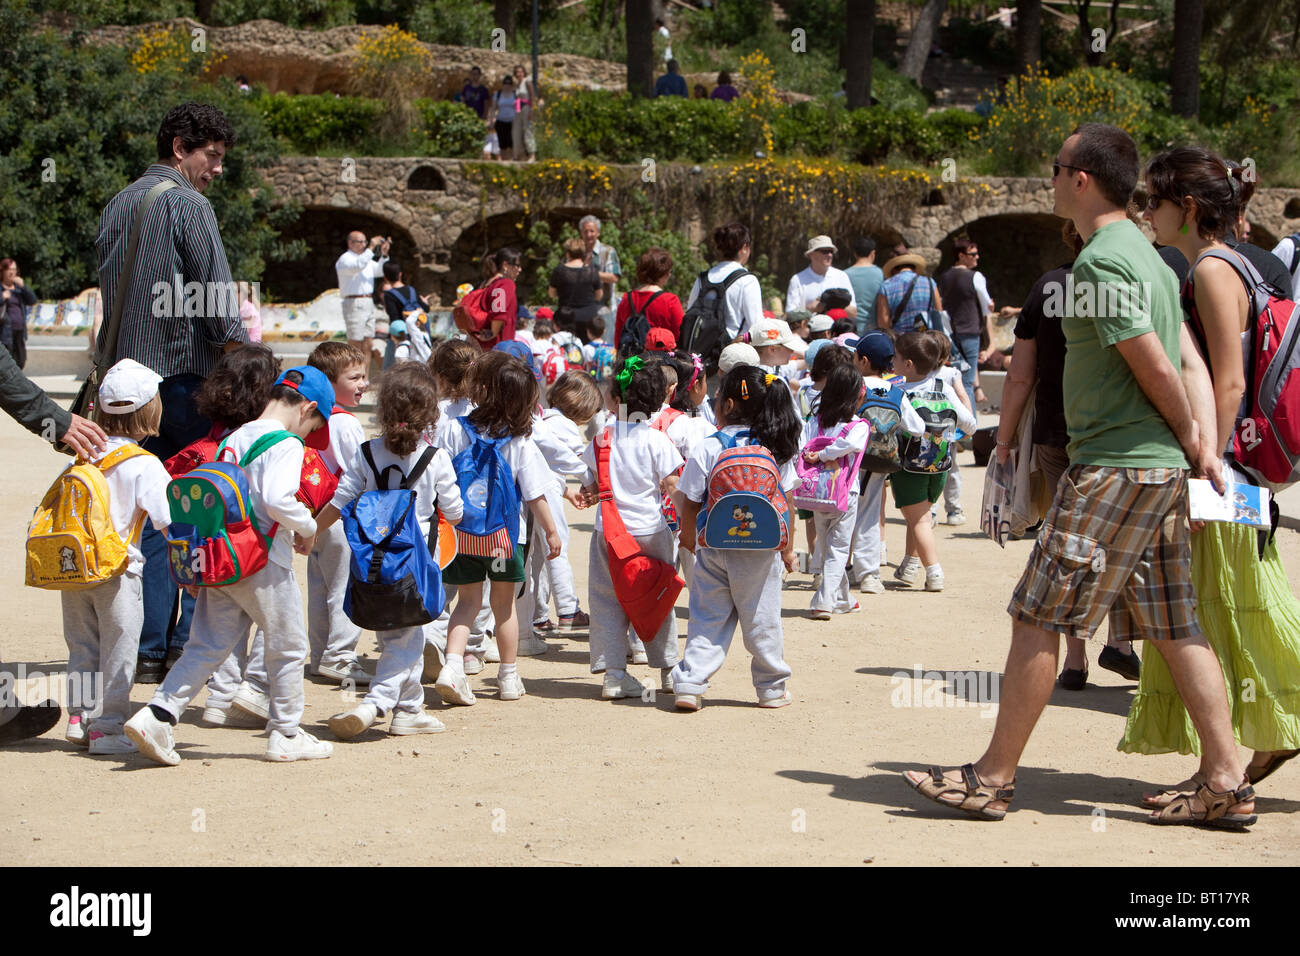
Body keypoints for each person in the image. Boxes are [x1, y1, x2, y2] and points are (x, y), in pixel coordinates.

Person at [904, 123, 1255, 828]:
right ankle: (1225, 779)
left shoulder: (1099, 263)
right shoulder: (1154, 259)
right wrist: (1201, 451)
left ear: (1083, 179)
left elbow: (1152, 360)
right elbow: (1187, 360)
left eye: (1057, 165)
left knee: (1037, 614)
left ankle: (992, 777)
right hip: (1149, 469)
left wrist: (1195, 440)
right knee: (1173, 624)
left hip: (1115, 467)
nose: (1052, 176)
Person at [1120, 145, 1300, 794]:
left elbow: (1226, 382)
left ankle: (1233, 761)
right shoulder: (1231, 267)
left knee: (1227, 605)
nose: (1147, 215)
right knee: (1234, 605)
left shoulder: (1212, 273)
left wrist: (1208, 470)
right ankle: (1253, 745)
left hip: (1228, 470)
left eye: (1154, 202)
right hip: (1241, 469)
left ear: (1187, 208)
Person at [96, 103, 249, 686]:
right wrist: (246, 366)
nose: (215, 170)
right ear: (181, 147)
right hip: (182, 385)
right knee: (193, 510)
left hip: (125, 388)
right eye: (211, 157)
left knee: (144, 516)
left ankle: (146, 645)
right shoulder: (190, 204)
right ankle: (190, 645)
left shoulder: (117, 203)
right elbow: (215, 301)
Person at [125, 366, 337, 764]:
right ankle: (286, 732)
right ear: (308, 407)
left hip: (221, 559)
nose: (310, 434)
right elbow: (276, 499)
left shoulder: (236, 435)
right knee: (289, 647)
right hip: (263, 561)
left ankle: (157, 714)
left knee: (204, 647)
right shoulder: (288, 444)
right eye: (314, 425)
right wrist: (308, 526)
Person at [994, 224, 1141, 689]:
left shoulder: (1047, 286)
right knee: (1119, 542)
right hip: (1119, 436)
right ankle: (1120, 642)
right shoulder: (1132, 279)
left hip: (1059, 433)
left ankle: (1074, 661)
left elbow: (1020, 376)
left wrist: (1003, 438)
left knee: (1073, 545)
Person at [321, 362, 462, 740]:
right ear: (430, 411)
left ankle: (409, 710)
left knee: (395, 636)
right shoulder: (436, 458)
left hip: (371, 564)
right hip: (416, 564)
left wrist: (308, 533)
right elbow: (456, 511)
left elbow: (341, 498)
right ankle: (377, 704)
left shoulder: (367, 453)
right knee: (408, 636)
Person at [433, 350, 562, 706]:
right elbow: (536, 494)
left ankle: (453, 666)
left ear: (480, 388)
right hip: (505, 540)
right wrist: (551, 531)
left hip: (463, 534)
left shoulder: (452, 430)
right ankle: (508, 677)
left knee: (466, 602)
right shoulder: (521, 442)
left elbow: (440, 478)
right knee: (502, 607)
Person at [670, 366, 802, 711]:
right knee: (763, 619)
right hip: (761, 552)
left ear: (727, 404)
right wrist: (787, 549)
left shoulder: (708, 447)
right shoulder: (776, 448)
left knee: (706, 617)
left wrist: (688, 540)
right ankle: (772, 688)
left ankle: (690, 683)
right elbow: (786, 505)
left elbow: (690, 502)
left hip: (713, 547)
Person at [60, 360, 172, 755]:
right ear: (151, 411)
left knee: (83, 645)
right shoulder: (146, 464)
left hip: (74, 570)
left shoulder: (83, 455)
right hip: (119, 570)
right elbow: (168, 521)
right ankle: (108, 729)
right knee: (120, 647)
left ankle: (78, 719)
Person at [575, 356, 684, 699]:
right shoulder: (656, 440)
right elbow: (672, 485)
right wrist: (691, 526)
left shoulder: (601, 440)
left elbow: (592, 485)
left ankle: (614, 675)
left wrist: (590, 494)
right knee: (658, 597)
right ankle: (667, 670)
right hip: (650, 530)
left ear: (614, 399)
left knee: (607, 601)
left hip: (609, 533)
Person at [888, 332, 976, 592]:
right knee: (920, 515)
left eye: (896, 356)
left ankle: (934, 571)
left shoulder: (899, 392)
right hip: (939, 465)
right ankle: (909, 564)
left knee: (919, 520)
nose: (892, 360)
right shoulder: (943, 387)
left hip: (908, 467)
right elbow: (970, 424)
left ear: (908, 364)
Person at [848, 332, 924, 595]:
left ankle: (836, 570)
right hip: (879, 463)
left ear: (864, 361)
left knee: (841, 516)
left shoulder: (853, 386)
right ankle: (869, 576)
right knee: (868, 516)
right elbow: (917, 427)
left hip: (848, 463)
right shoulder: (896, 392)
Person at [802, 363, 870, 620]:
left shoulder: (817, 421)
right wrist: (826, 454)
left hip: (818, 493)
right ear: (857, 395)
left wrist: (816, 455)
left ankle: (845, 599)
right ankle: (824, 601)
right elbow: (848, 445)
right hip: (845, 493)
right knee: (839, 548)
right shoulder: (859, 426)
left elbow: (804, 445)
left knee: (830, 546)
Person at [684, 222, 765, 345]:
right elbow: (757, 326)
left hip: (700, 354)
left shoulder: (702, 278)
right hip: (732, 354)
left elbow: (690, 312)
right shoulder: (747, 280)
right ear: (744, 248)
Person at [936, 237, 992, 404]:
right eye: (972, 254)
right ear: (961, 255)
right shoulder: (975, 277)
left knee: (953, 379)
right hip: (970, 332)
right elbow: (987, 306)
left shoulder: (945, 276)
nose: (977, 257)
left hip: (950, 333)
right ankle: (971, 423)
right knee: (967, 382)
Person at [335, 231, 389, 373]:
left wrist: (383, 255)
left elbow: (380, 270)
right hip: (354, 302)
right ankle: (352, 374)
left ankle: (364, 378)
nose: (364, 245)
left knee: (368, 341)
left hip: (367, 302)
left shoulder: (365, 259)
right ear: (350, 243)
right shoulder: (345, 259)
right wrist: (371, 247)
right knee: (355, 342)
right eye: (361, 242)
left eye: (365, 242)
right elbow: (358, 266)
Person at [614, 247, 684, 351]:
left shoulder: (626, 299)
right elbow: (681, 338)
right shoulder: (670, 301)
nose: (670, 275)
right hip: (659, 362)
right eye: (669, 271)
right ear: (662, 273)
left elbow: (618, 340)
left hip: (631, 363)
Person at [786, 236, 858, 319]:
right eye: (825, 251)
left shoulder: (842, 276)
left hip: (838, 330)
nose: (830, 255)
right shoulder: (797, 280)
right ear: (811, 255)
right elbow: (789, 314)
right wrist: (811, 308)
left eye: (831, 251)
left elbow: (854, 312)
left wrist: (834, 304)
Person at [548, 237, 603, 342]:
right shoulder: (592, 271)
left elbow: (551, 293)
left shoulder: (559, 271)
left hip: (566, 318)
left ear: (567, 253)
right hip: (588, 318)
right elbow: (599, 295)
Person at [470, 248, 521, 351]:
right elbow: (498, 313)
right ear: (505, 265)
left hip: (481, 348)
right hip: (498, 349)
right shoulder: (505, 283)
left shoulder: (485, 284)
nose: (520, 269)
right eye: (517, 265)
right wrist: (492, 334)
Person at [876, 252, 941, 332]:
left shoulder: (886, 286)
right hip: (926, 337)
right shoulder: (930, 282)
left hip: (900, 339)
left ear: (894, 270)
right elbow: (939, 312)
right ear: (914, 268)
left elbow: (883, 322)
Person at [580, 216, 622, 324]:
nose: (589, 235)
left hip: (604, 311)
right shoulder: (578, 252)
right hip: (582, 310)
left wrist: (591, 273)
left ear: (598, 232)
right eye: (585, 231)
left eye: (592, 231)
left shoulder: (608, 251)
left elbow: (614, 277)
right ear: (581, 233)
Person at [0, 258, 37, 368]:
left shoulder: (18, 289)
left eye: (14, 269)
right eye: (9, 269)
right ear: (3, 271)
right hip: (5, 331)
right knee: (7, 363)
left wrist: (23, 287)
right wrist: (2, 297)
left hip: (20, 330)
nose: (12, 272)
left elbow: (33, 300)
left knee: (21, 360)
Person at [844, 239, 884, 334]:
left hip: (851, 328)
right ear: (873, 253)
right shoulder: (880, 273)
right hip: (874, 328)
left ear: (854, 253)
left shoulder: (845, 274)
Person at [485, 74, 518, 163]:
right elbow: (493, 108)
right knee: (501, 143)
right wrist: (491, 120)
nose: (507, 85)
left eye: (509, 83)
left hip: (512, 121)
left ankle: (511, 160)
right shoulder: (498, 94)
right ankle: (503, 161)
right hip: (501, 120)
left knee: (511, 143)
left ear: (512, 85)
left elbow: (518, 109)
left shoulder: (515, 95)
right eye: (505, 83)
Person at [511, 64, 538, 163]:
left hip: (526, 108)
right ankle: (517, 155)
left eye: (521, 72)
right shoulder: (517, 84)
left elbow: (532, 97)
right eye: (517, 72)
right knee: (516, 131)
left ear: (524, 72)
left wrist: (532, 110)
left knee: (528, 131)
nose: (519, 74)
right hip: (518, 109)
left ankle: (532, 155)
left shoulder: (527, 82)